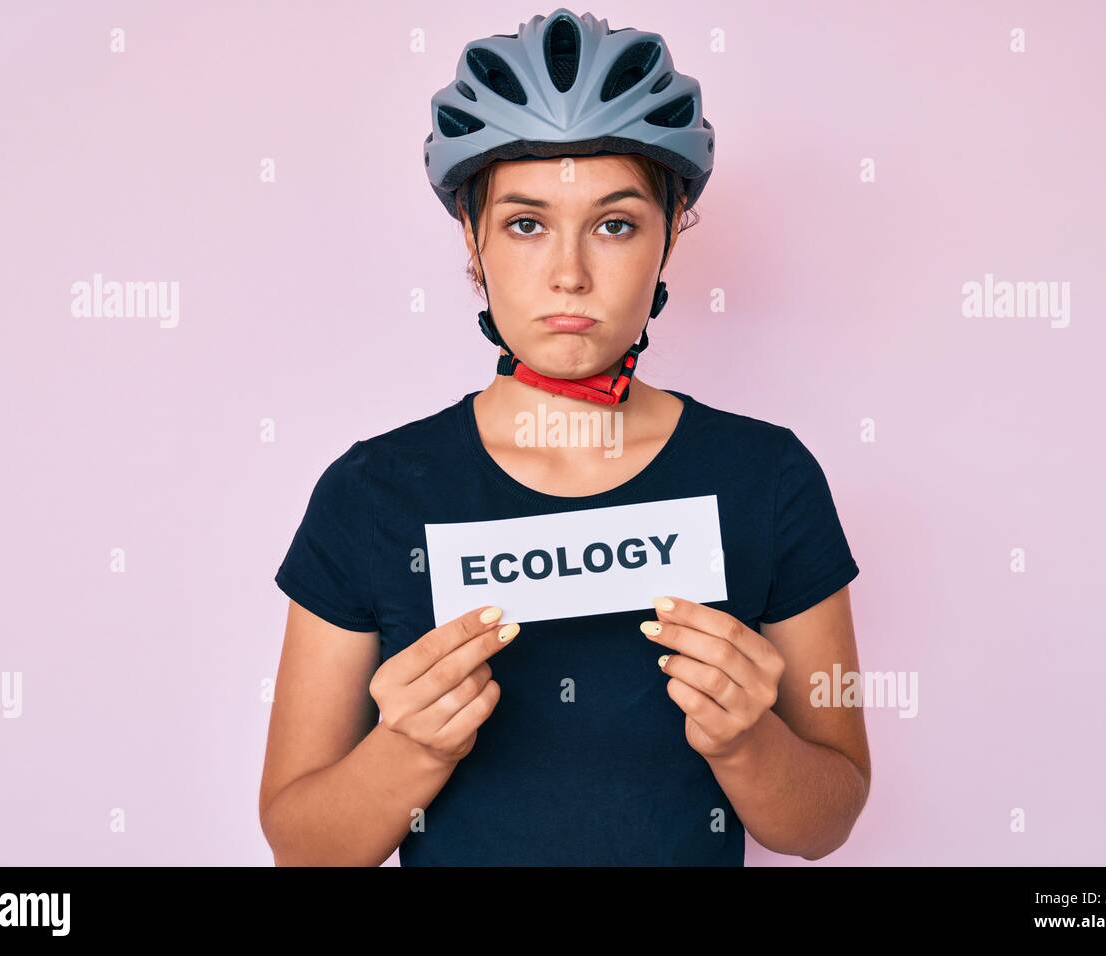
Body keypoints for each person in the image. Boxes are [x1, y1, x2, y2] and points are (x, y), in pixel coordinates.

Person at [259, 8, 869, 867]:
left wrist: (746, 744)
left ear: (668, 238)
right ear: (472, 242)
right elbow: (301, 845)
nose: (570, 272)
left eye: (615, 224)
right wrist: (412, 750)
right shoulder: (373, 494)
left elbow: (828, 818)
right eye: (525, 223)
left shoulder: (768, 478)